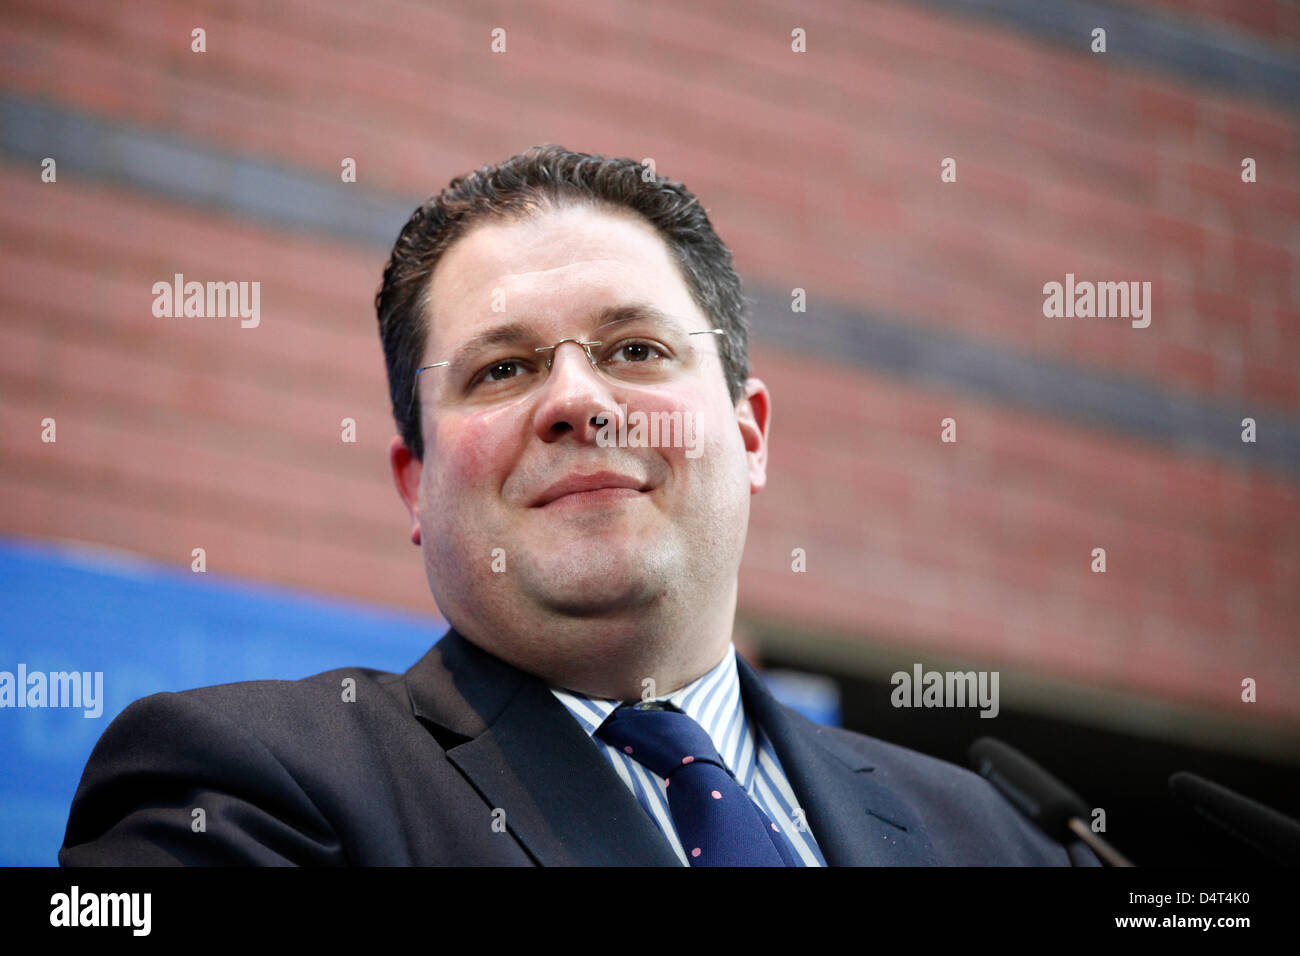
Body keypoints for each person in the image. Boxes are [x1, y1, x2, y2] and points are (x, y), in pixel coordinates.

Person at [60, 145, 1098, 866]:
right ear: (416, 480)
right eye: (503, 367)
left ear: (749, 433)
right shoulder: (246, 788)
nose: (575, 401)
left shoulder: (1004, 838)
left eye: (635, 350)